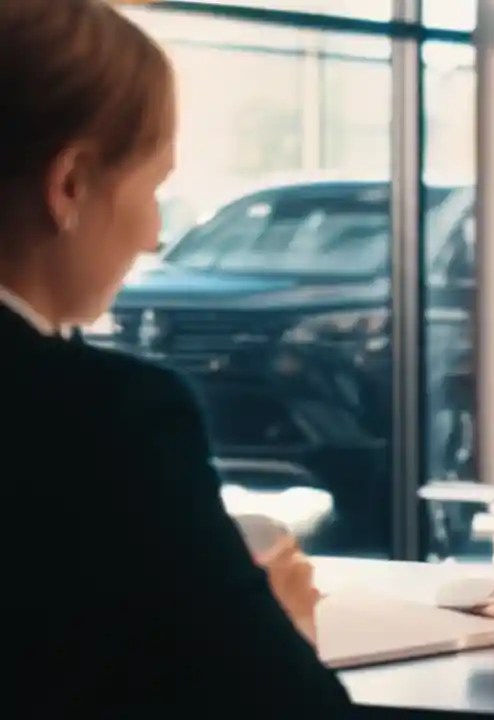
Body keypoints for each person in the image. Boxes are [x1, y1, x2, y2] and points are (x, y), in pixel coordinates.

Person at [0, 1, 351, 714]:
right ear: (70, 184)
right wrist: (274, 623)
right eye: (154, 187)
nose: (156, 236)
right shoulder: (104, 419)